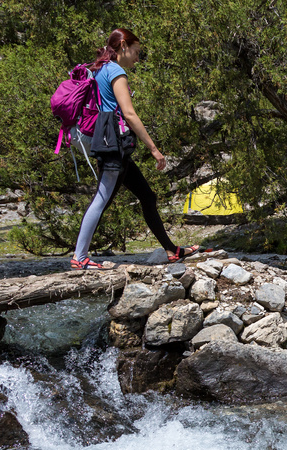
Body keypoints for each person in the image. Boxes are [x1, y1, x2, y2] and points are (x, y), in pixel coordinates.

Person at [71, 28, 198, 270]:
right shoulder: (116, 71)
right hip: (113, 145)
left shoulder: (100, 69)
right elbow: (129, 113)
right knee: (101, 199)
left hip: (113, 145)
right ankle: (79, 257)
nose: (138, 58)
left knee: (147, 196)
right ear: (123, 47)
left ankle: (171, 251)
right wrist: (153, 148)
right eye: (136, 52)